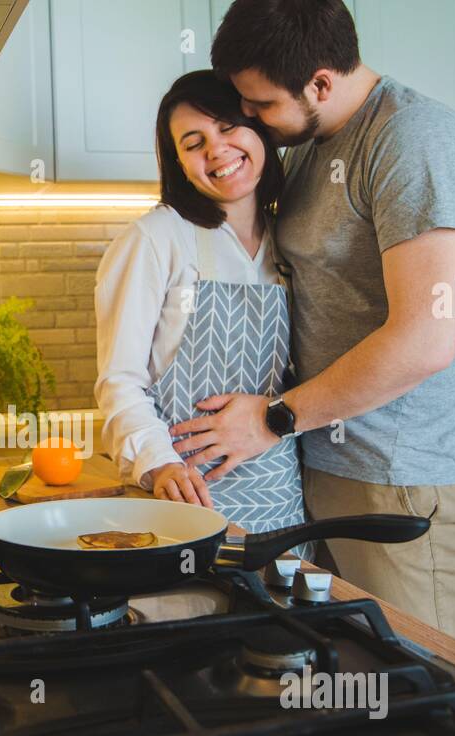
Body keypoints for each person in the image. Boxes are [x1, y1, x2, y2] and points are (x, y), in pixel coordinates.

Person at [186, 0, 455, 646]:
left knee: (425, 680)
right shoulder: (307, 147)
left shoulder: (416, 140)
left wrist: (273, 416)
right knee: (348, 675)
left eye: (261, 105)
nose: (249, 117)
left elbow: (427, 338)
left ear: (321, 83)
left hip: (401, 479)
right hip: (321, 465)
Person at [94, 70, 305, 540]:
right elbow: (120, 383)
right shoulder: (155, 239)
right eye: (194, 143)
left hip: (283, 501)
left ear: (260, 130)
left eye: (228, 127)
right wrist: (161, 464)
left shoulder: (291, 241)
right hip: (190, 501)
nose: (216, 150)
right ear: (180, 165)